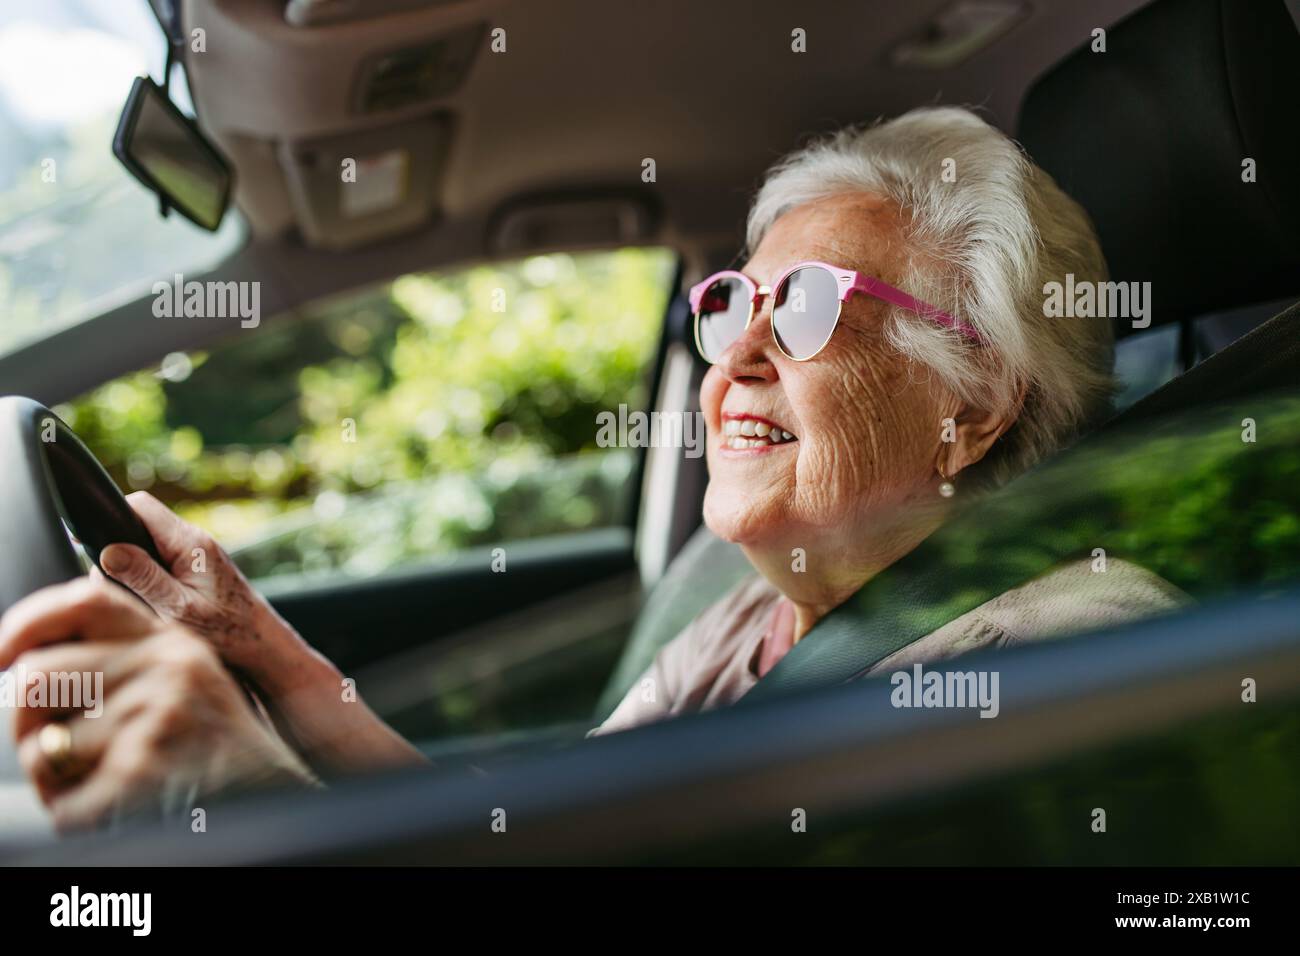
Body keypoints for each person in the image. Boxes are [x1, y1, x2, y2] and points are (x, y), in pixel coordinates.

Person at [0, 106, 1187, 830]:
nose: (741, 357)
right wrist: (268, 651)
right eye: (730, 307)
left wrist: (238, 782)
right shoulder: (737, 623)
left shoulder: (1065, 654)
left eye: (813, 306)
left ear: (972, 408)